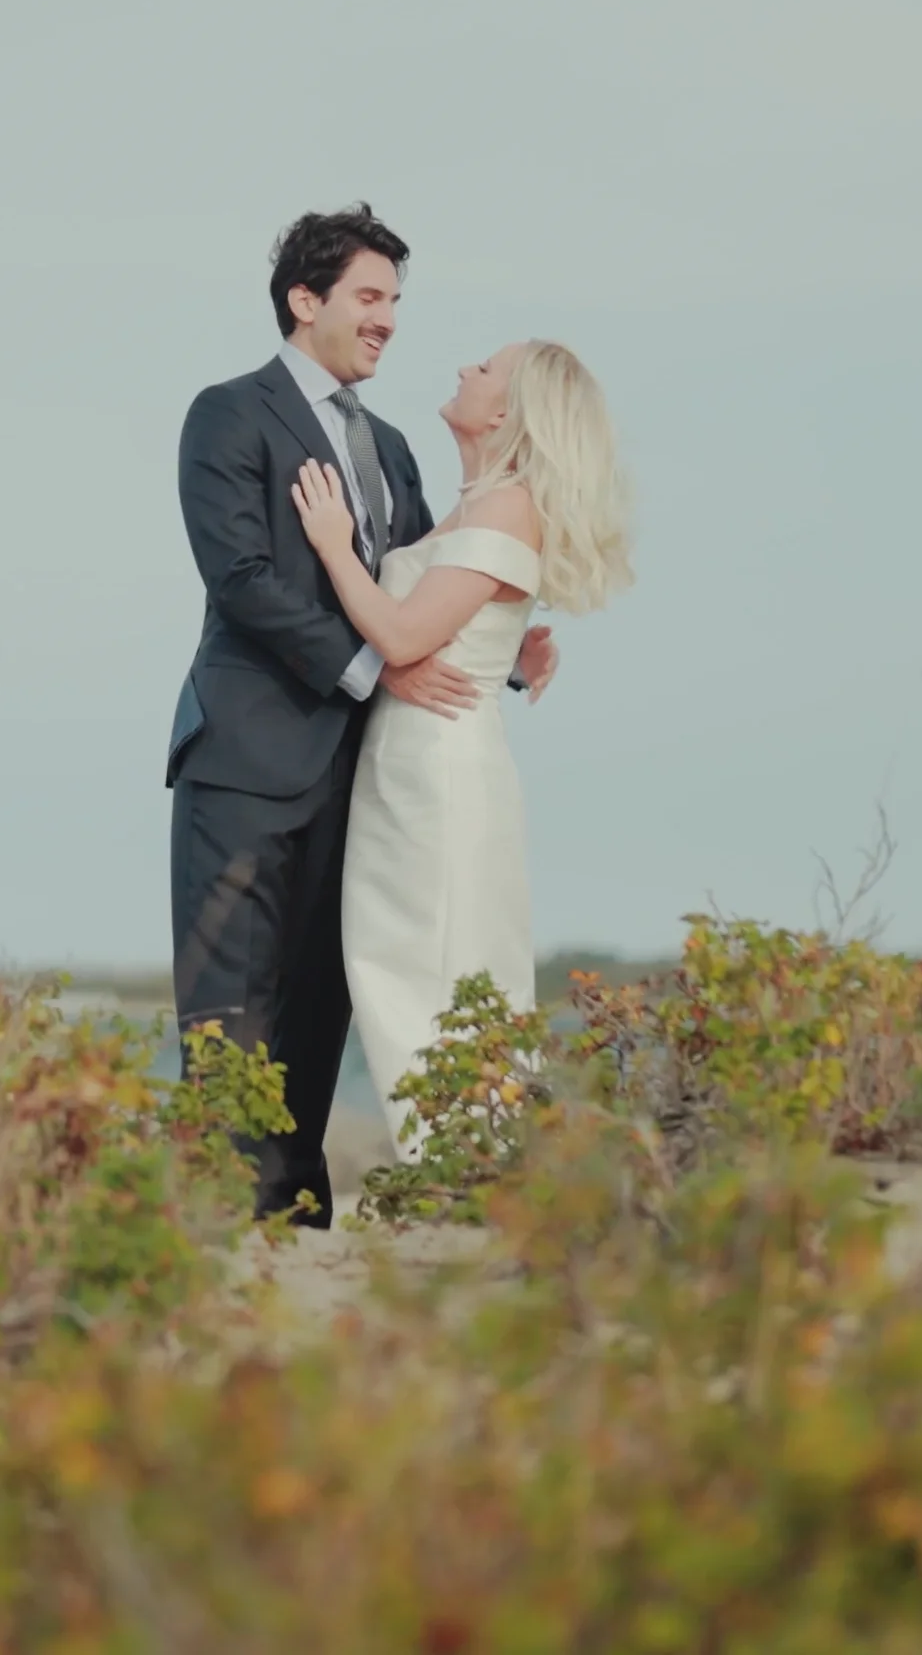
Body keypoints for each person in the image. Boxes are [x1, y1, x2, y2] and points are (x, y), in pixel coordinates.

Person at [165, 206, 560, 1226]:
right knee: (229, 1009)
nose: (388, 321)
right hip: (246, 763)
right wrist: (368, 670)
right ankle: (215, 1221)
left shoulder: (390, 447)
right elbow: (242, 578)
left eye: (395, 302)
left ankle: (298, 1221)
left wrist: (508, 650)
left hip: (364, 784)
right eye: (369, 298)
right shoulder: (228, 414)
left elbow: (431, 588)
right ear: (307, 300)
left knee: (319, 1009)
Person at [290, 340, 633, 1143]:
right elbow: (452, 617)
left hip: (439, 771)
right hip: (410, 766)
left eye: (484, 371)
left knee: (436, 968)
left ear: (509, 411)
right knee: (410, 968)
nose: (463, 372)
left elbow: (405, 634)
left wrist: (336, 547)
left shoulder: (508, 506)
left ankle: (467, 1165)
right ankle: (459, 1160)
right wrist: (511, 650)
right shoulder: (479, 503)